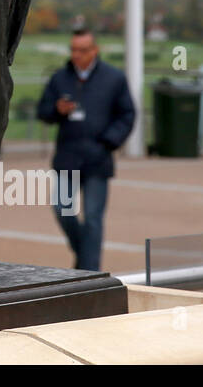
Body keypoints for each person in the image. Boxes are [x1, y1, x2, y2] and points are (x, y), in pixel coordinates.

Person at [37, 27, 136, 271]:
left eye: (82, 50)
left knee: (93, 219)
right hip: (67, 158)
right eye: (73, 50)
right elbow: (43, 111)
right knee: (62, 210)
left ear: (95, 50)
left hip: (98, 159)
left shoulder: (114, 78)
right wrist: (56, 110)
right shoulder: (59, 77)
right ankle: (85, 256)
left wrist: (108, 142)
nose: (77, 55)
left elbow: (127, 114)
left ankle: (89, 273)